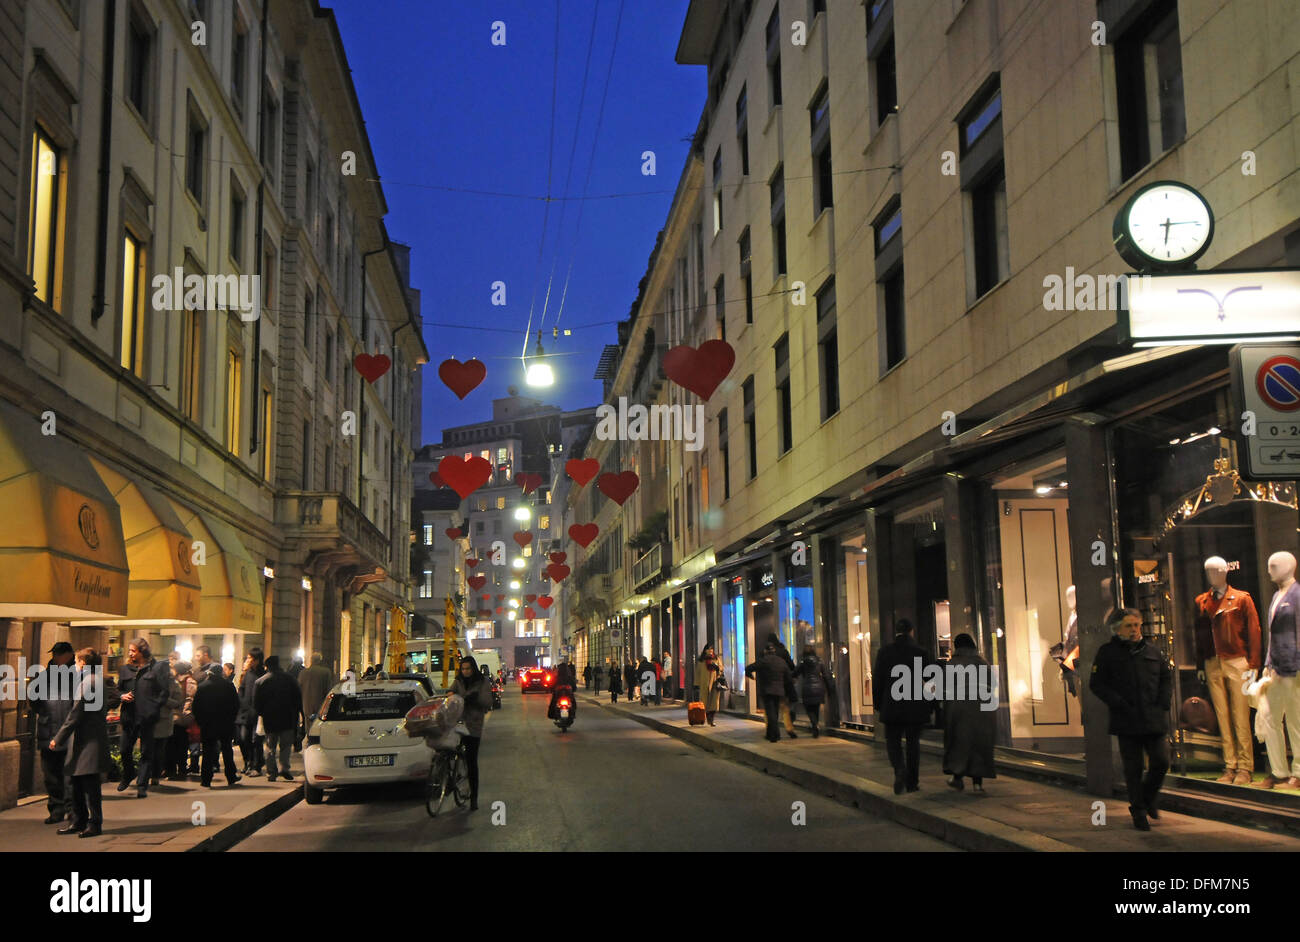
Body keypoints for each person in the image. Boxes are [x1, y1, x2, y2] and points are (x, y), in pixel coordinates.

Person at [1090, 608, 1172, 830]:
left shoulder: (1153, 652)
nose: (1135, 630)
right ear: (1117, 630)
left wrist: (1164, 702)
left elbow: (1165, 677)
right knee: (1133, 769)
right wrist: (1117, 702)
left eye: (1137, 625)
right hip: (1126, 720)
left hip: (1153, 719)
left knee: (1161, 762)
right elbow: (1096, 684)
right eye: (1129, 626)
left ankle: (1147, 799)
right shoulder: (1107, 653)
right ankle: (1138, 811)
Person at [51, 648, 109, 838]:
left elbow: (76, 715)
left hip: (88, 741)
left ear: (83, 663)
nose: (75, 665)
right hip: (84, 740)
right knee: (77, 783)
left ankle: (93, 823)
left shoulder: (90, 683)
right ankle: (79, 820)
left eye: (76, 661)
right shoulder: (91, 681)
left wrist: (58, 738)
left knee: (89, 785)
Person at [873, 618, 934, 794]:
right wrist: (930, 705)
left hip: (892, 704)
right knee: (913, 744)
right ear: (912, 631)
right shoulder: (920, 652)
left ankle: (899, 769)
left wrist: (879, 704)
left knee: (893, 742)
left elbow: (878, 681)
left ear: (896, 632)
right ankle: (912, 782)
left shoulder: (884, 652)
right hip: (915, 705)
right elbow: (931, 680)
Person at [941, 634, 997, 792]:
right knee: (978, 746)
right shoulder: (983, 663)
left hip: (957, 712)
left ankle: (957, 777)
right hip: (982, 712)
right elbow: (992, 686)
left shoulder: (952, 664)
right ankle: (977, 784)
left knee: (959, 744)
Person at [118, 637, 169, 797]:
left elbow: (164, 692)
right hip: (129, 717)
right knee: (124, 749)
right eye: (130, 651)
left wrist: (154, 707)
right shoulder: (125, 669)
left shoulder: (156, 669)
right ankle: (128, 774)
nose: (130, 653)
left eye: (133, 650)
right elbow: (117, 690)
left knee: (147, 752)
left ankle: (142, 785)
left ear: (142, 652)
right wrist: (122, 696)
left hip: (147, 717)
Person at [31, 642, 76, 823]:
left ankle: (73, 809)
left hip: (69, 732)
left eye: (59, 654)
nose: (55, 657)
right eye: (54, 654)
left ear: (68, 655)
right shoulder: (44, 677)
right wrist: (44, 713)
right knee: (51, 774)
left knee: (70, 776)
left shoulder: (77, 675)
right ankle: (56, 808)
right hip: (48, 730)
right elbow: (33, 699)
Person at [450, 655, 494, 811]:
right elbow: (451, 692)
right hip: (457, 723)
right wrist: (451, 696)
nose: (465, 671)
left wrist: (474, 700)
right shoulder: (458, 681)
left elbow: (488, 702)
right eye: (463, 668)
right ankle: (452, 778)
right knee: (449, 751)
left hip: (473, 725)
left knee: (471, 761)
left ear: (473, 669)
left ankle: (474, 797)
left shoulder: (482, 682)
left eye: (468, 668)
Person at [190, 664, 242, 788]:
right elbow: (236, 705)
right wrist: (231, 719)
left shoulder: (203, 687)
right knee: (227, 750)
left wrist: (200, 721)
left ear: (210, 673)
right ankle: (231, 776)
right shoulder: (229, 686)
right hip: (225, 723)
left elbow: (196, 707)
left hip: (208, 724)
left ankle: (206, 779)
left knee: (208, 751)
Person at [254, 655, 304, 782]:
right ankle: (284, 768)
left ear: (267, 666)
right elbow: (298, 698)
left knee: (270, 746)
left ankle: (271, 772)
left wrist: (262, 713)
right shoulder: (290, 679)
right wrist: (297, 713)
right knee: (286, 745)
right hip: (288, 717)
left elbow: (256, 703)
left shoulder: (261, 681)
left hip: (270, 718)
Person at [746, 642, 794, 742]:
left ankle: (775, 734)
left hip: (767, 690)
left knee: (770, 713)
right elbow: (788, 677)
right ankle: (770, 734)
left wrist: (750, 675)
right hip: (779, 690)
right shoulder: (781, 661)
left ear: (766, 651)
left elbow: (749, 668)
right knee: (775, 712)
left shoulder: (763, 661)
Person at [164, 660, 197, 781]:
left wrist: (185, 713)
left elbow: (189, 699)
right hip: (177, 717)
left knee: (177, 744)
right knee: (176, 744)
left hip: (179, 717)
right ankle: (176, 768)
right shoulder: (177, 681)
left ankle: (177, 769)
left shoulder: (186, 681)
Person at [237, 648, 266, 776]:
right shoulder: (247, 673)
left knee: (256, 740)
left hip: (258, 713)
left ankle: (256, 765)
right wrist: (242, 702)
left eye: (250, 658)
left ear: (257, 660)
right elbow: (242, 689)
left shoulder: (263, 674)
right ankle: (247, 762)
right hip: (245, 712)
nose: (247, 660)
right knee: (243, 738)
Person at [795, 646, 832, 738]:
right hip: (819, 688)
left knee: (808, 708)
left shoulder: (803, 662)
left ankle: (814, 724)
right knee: (816, 707)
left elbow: (795, 673)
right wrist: (829, 688)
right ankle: (815, 725)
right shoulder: (819, 661)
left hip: (807, 688)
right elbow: (826, 675)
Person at [297, 652, 334, 741]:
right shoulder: (325, 672)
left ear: (311, 660)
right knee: (320, 724)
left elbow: (299, 688)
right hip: (321, 703)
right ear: (320, 661)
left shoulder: (303, 673)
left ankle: (310, 740)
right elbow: (329, 689)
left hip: (306, 704)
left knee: (308, 725)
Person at [695, 643, 725, 726]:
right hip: (704, 684)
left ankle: (711, 720)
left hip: (715, 683)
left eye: (711, 649)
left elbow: (722, 668)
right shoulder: (701, 661)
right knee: (704, 702)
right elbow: (697, 673)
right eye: (708, 649)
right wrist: (696, 684)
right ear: (705, 650)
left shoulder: (716, 658)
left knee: (714, 702)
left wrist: (718, 668)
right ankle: (704, 717)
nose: (710, 651)